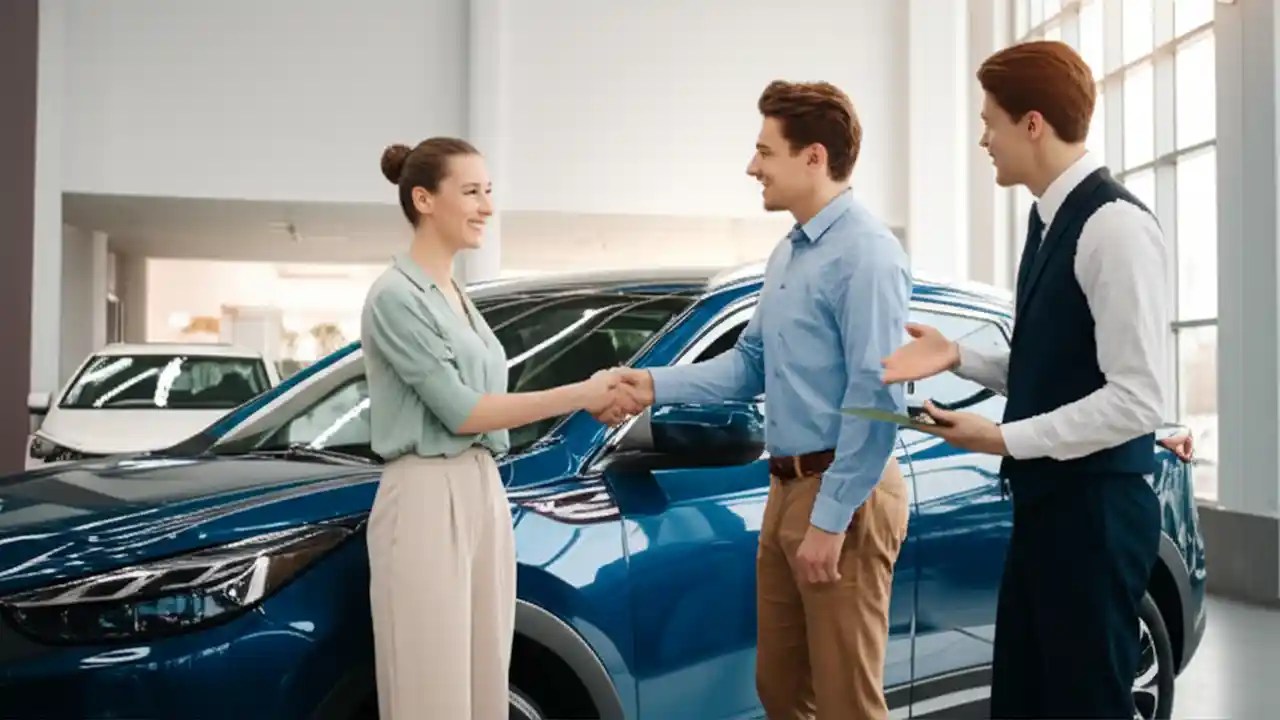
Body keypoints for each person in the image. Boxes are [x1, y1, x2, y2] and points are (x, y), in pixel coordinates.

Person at [880, 41, 1173, 718]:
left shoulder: (1114, 228)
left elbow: (1138, 398)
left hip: (1096, 517)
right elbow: (1058, 364)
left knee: (1082, 705)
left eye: (991, 120)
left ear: (1032, 123)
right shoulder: (1048, 218)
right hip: (1051, 512)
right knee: (1024, 700)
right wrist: (959, 355)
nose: (983, 137)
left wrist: (1004, 439)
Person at [608, 80, 912, 719]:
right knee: (781, 691)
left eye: (764, 152)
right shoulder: (788, 255)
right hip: (784, 489)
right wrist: (653, 385)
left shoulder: (868, 254)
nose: (752, 167)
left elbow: (880, 396)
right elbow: (749, 366)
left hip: (844, 491)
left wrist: (831, 518)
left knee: (846, 704)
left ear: (814, 158)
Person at [360, 137, 626, 719]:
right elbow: (463, 410)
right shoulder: (396, 297)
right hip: (426, 494)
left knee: (484, 690)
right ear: (425, 200)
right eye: (473, 192)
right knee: (430, 692)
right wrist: (580, 395)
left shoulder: (458, 296)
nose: (486, 206)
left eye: (489, 192)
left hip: (483, 487)